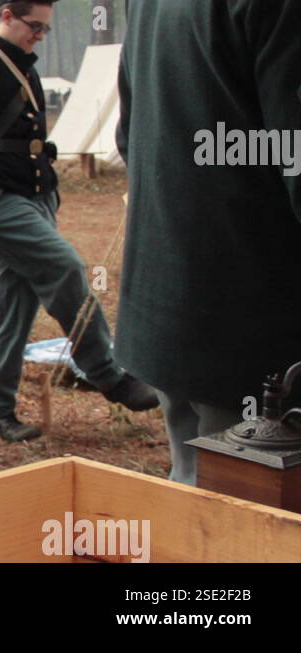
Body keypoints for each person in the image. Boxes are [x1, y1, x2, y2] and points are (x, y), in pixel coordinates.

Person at [0, 0, 157, 443]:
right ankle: (107, 374)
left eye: (45, 30)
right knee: (65, 267)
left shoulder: (23, 66)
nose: (39, 35)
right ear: (7, 16)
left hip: (35, 197)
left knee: (15, 307)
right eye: (34, 26)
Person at [115, 1, 301, 484]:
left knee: (198, 493)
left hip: (174, 299)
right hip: (255, 327)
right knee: (249, 519)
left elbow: (130, 135)